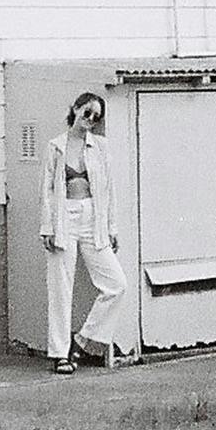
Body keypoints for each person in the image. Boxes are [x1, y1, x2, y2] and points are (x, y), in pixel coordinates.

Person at [39, 90, 131, 372]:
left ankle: (85, 340)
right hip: (63, 217)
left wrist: (111, 227)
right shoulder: (55, 146)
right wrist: (47, 227)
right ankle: (60, 354)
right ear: (75, 109)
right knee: (60, 289)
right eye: (86, 113)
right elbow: (46, 190)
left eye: (95, 117)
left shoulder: (100, 147)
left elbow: (109, 190)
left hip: (93, 218)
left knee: (116, 285)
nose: (90, 119)